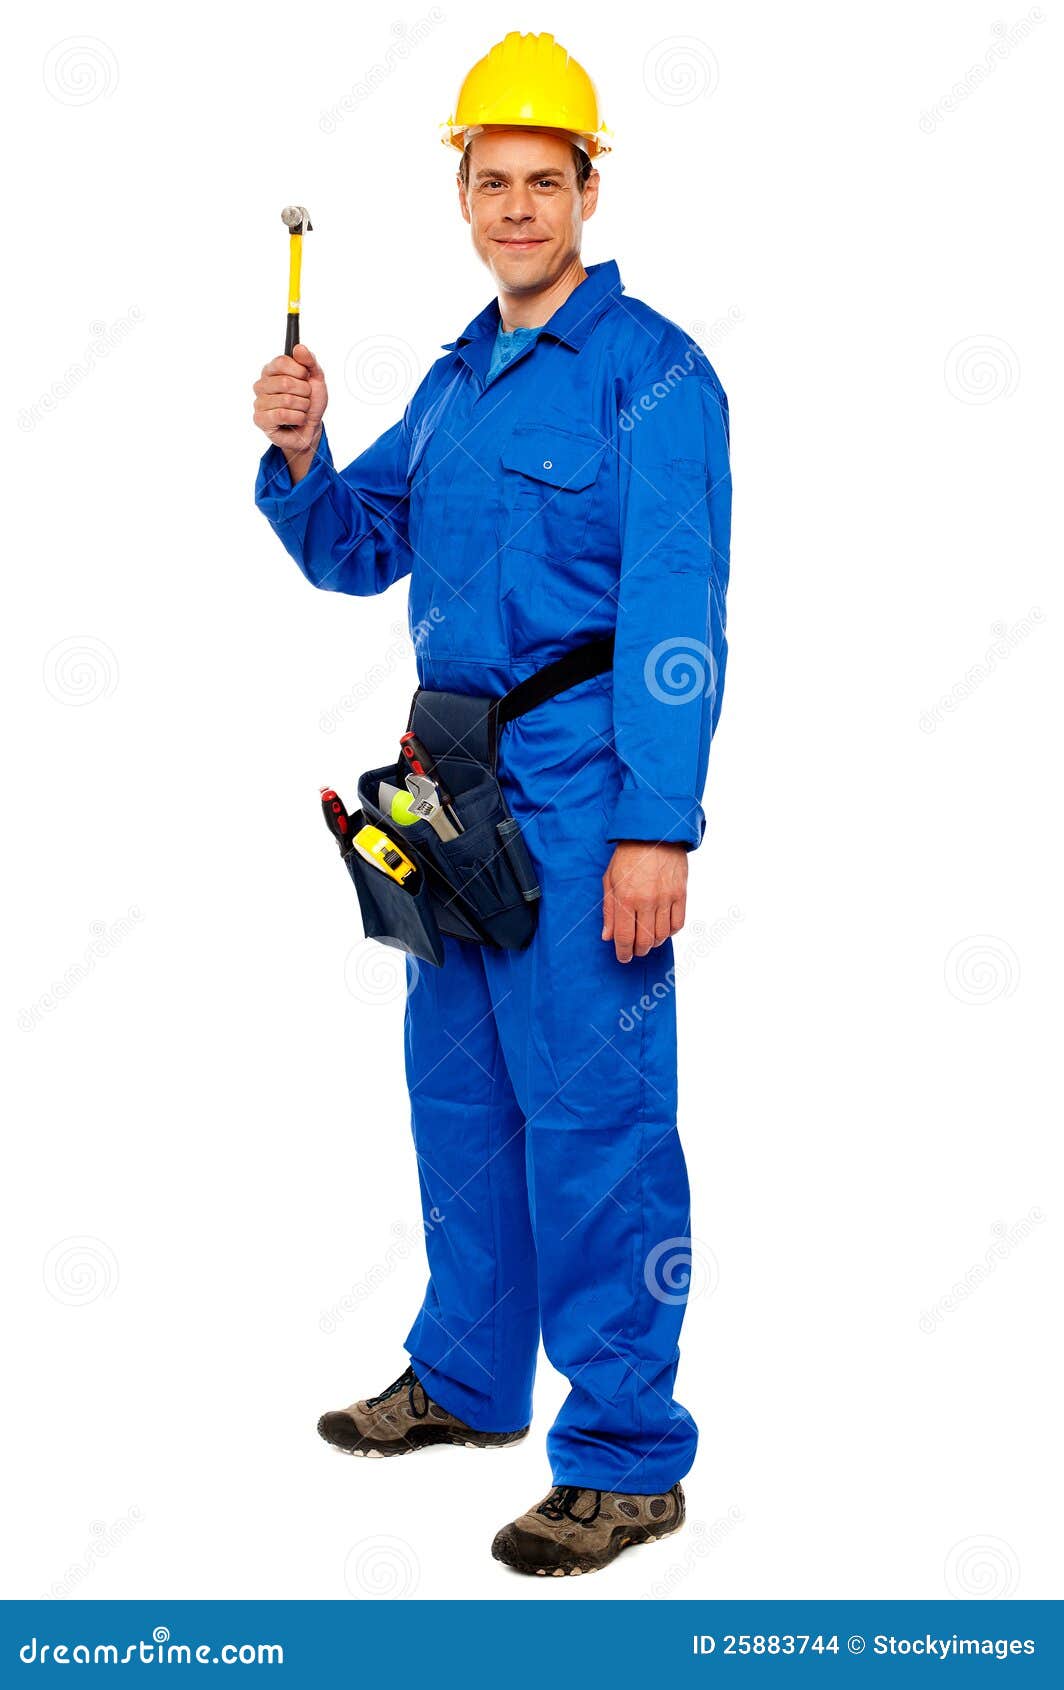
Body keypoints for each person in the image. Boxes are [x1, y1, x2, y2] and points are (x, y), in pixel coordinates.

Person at [253, 31, 732, 1578]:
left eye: (545, 179)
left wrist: (659, 823)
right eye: (492, 181)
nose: (517, 206)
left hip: (586, 793)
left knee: (595, 1123)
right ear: (462, 197)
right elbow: (352, 546)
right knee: (461, 1105)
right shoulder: (458, 380)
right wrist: (303, 446)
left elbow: (677, 611)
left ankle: (626, 1456)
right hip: (447, 794)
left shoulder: (654, 375)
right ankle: (466, 1379)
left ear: (589, 189)